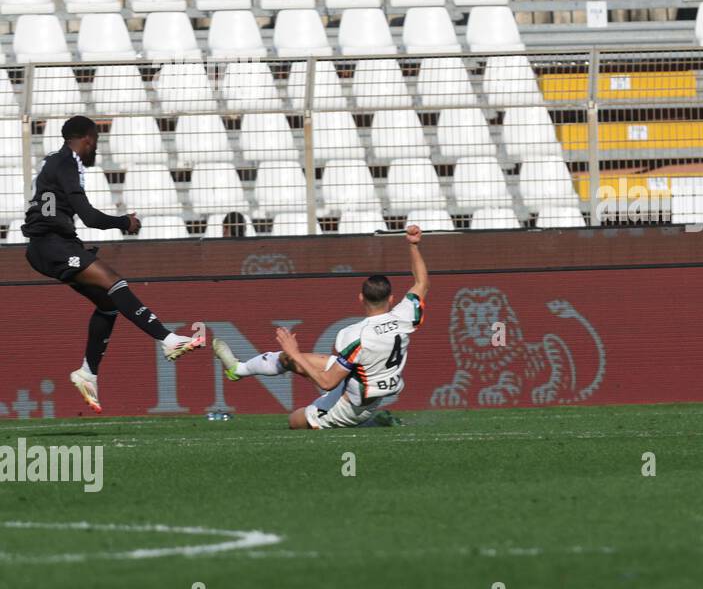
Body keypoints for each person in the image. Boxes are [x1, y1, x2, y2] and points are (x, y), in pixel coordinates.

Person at [21, 116, 207, 414]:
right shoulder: (66, 163)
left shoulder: (57, 162)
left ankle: (87, 372)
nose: (96, 147)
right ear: (88, 139)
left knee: (108, 304)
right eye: (95, 140)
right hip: (50, 245)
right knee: (113, 281)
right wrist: (125, 222)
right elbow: (90, 217)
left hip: (56, 244)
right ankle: (168, 339)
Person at [212, 226, 429, 430]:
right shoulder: (404, 316)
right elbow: (421, 283)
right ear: (391, 299)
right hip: (361, 377)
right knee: (288, 361)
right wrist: (414, 245)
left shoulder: (355, 335)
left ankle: (372, 421)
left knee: (294, 420)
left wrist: (295, 353)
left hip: (354, 406)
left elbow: (327, 383)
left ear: (361, 298)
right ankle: (237, 370)